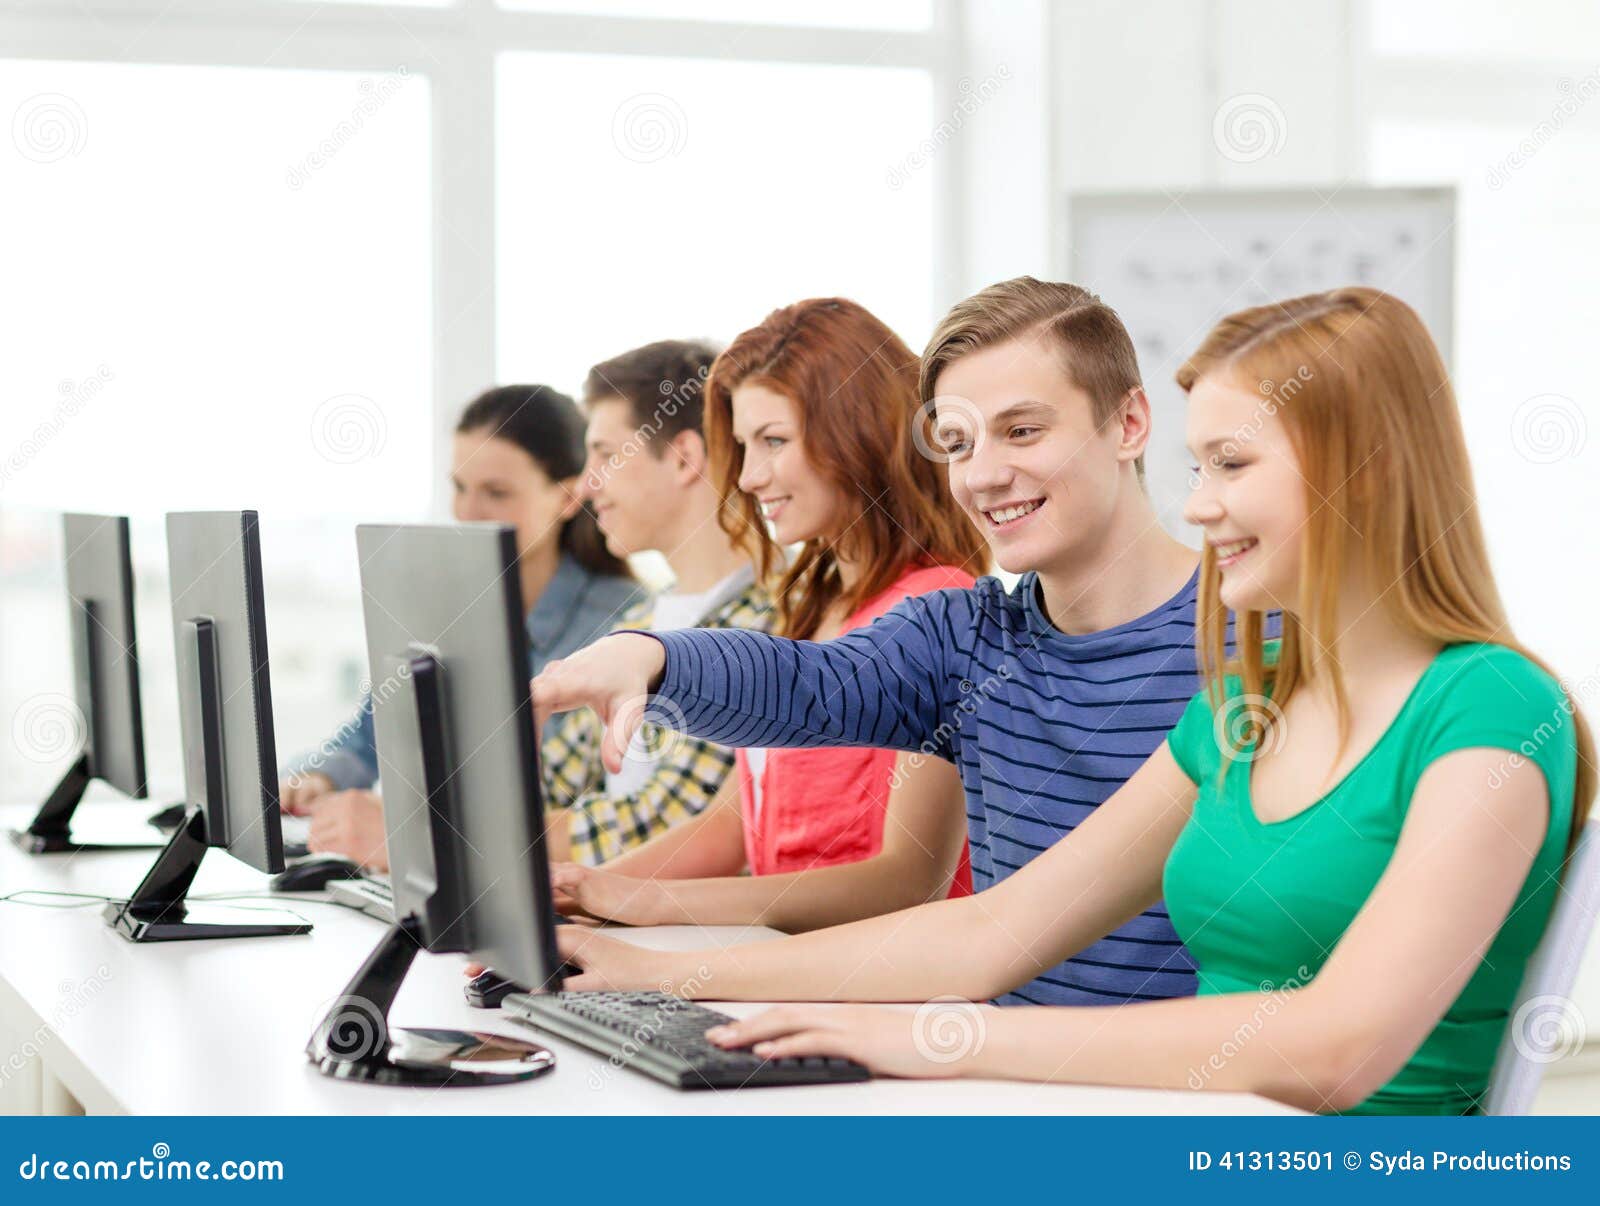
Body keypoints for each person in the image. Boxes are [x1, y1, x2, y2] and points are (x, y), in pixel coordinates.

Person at [543, 287, 1594, 1116]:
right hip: (1113, 1118)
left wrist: (942, 1039)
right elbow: (987, 925)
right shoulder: (1241, 702)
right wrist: (666, 974)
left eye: (1230, 462)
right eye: (956, 444)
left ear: (1355, 475)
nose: (1199, 502)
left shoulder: (1472, 701)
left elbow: (1335, 1048)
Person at [529, 276, 1209, 1006]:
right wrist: (650, 658)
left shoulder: (1260, 642)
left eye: (1022, 430)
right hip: (1007, 1079)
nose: (981, 474)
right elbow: (807, 683)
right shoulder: (965, 637)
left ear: (1130, 423)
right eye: (956, 443)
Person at [547, 299, 987, 930]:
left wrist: (639, 905)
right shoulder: (808, 608)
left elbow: (910, 880)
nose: (749, 478)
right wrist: (577, 895)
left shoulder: (942, 603)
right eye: (744, 446)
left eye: (774, 441)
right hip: (786, 969)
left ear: (857, 432)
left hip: (878, 994)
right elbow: (733, 827)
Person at [283, 384, 645, 869]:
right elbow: (371, 734)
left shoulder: (625, 624)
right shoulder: (442, 606)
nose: (467, 513)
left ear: (565, 499)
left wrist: (403, 826)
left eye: (496, 492)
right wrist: (320, 779)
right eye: (459, 487)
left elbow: (565, 800)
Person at [539, 339, 773, 866]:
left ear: (684, 458)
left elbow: (662, 825)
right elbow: (554, 777)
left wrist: (462, 842)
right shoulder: (640, 621)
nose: (585, 484)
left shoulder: (776, 624)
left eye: (604, 453)